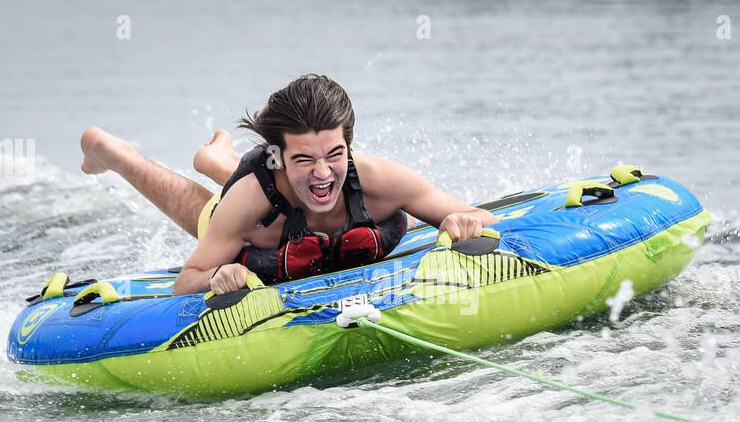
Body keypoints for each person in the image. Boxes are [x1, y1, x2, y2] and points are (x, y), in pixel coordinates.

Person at [79, 74, 496, 295]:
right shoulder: (247, 203)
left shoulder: (382, 180)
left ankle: (215, 159)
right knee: (204, 209)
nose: (322, 172)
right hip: (259, 209)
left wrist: (462, 222)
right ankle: (114, 151)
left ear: (348, 144)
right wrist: (218, 276)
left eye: (334, 154)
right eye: (304, 158)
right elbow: (186, 279)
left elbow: (478, 215)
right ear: (278, 155)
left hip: (277, 187)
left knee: (304, 185)